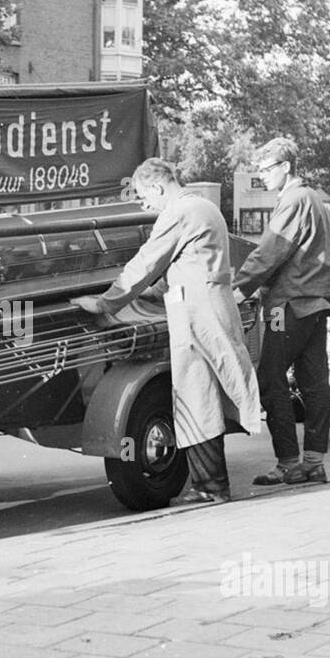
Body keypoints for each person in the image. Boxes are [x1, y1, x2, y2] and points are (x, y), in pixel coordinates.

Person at [72, 158, 261, 505]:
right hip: (206, 307)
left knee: (195, 396)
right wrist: (142, 294)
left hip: (196, 313)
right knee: (201, 396)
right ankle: (212, 485)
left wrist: (105, 303)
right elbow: (181, 266)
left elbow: (146, 261)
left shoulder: (179, 212)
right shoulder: (204, 207)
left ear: (158, 187)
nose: (147, 206)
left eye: (146, 197)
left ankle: (212, 486)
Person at [232, 137, 330, 486]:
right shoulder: (311, 198)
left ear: (286, 167)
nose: (261, 175)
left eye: (267, 168)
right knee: (313, 381)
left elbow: (270, 251)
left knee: (270, 376)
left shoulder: (293, 200)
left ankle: (289, 463)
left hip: (289, 304)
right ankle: (314, 461)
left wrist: (238, 287)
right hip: (315, 302)